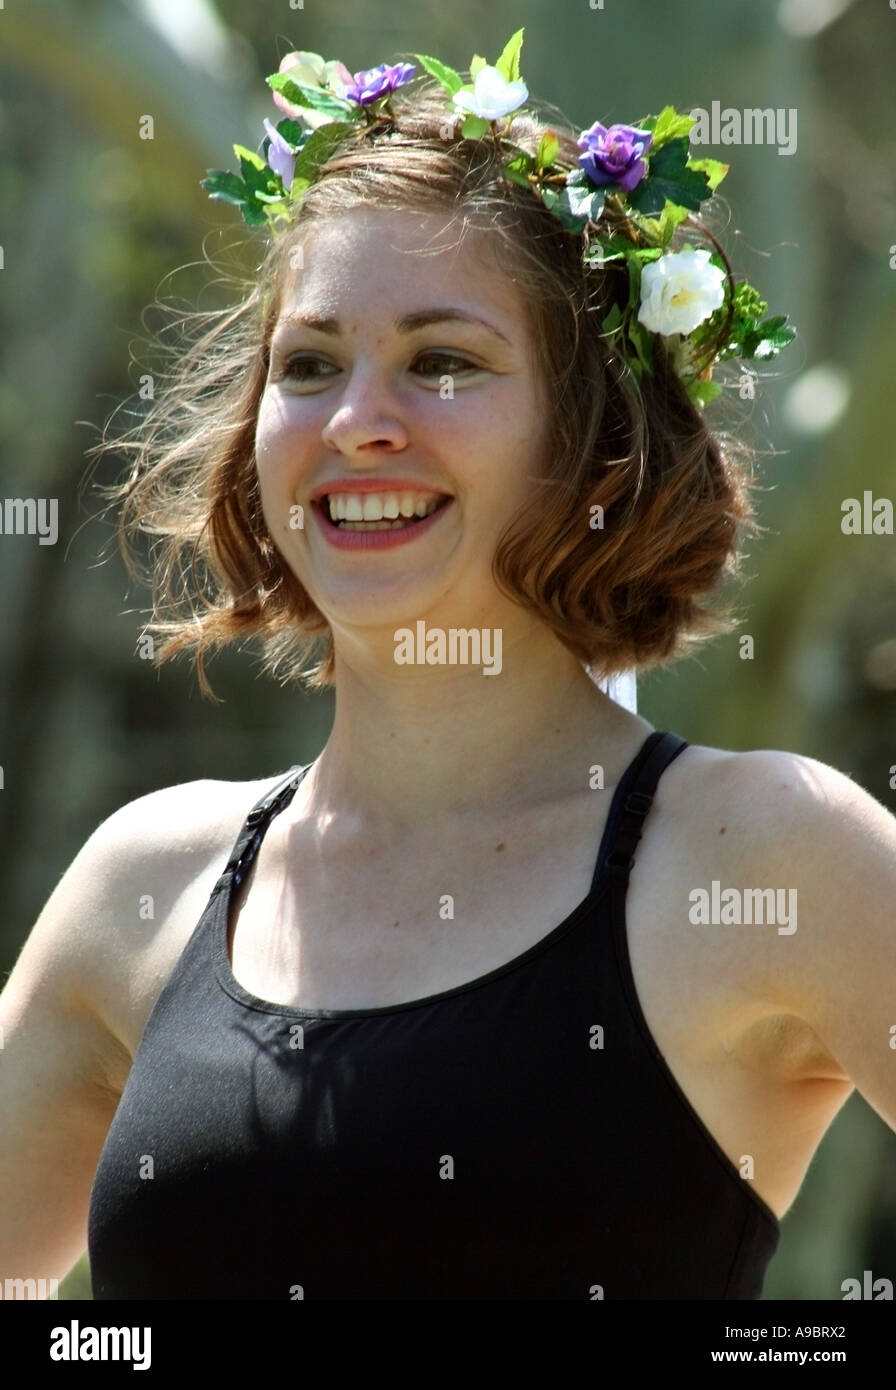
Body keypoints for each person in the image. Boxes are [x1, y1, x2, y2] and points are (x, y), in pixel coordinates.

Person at [2, 32, 894, 1302]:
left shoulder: (765, 851)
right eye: (307, 364)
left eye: (442, 362)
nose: (358, 416)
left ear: (590, 440)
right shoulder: (147, 881)